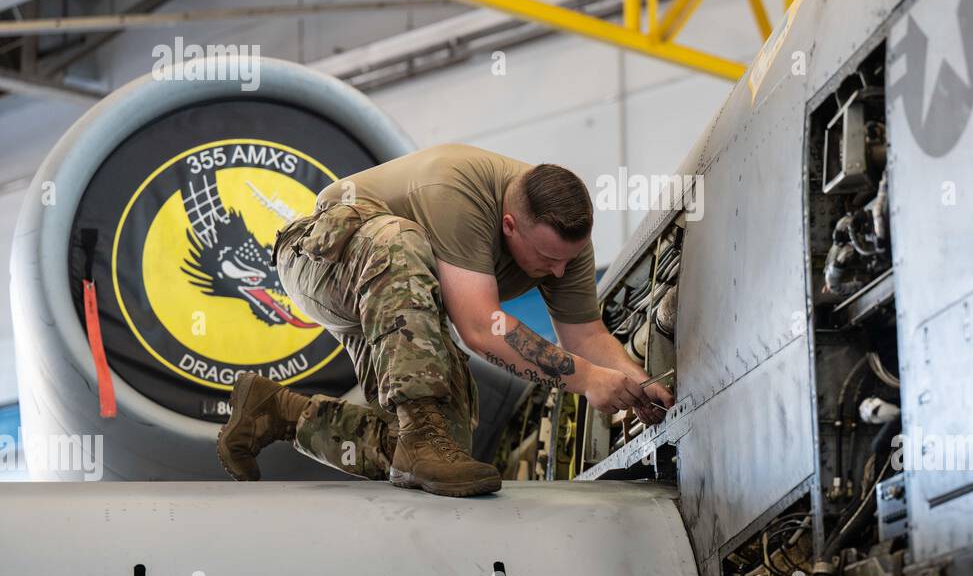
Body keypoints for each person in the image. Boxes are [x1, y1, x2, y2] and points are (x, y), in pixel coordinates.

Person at [216, 143, 674, 496]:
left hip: (395, 301)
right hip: (322, 257)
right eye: (547, 258)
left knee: (444, 452)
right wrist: (587, 380)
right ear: (510, 225)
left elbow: (587, 335)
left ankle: (273, 413)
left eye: (566, 260)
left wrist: (636, 383)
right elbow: (480, 327)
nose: (559, 271)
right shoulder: (457, 191)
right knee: (399, 239)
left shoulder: (564, 247)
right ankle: (419, 433)